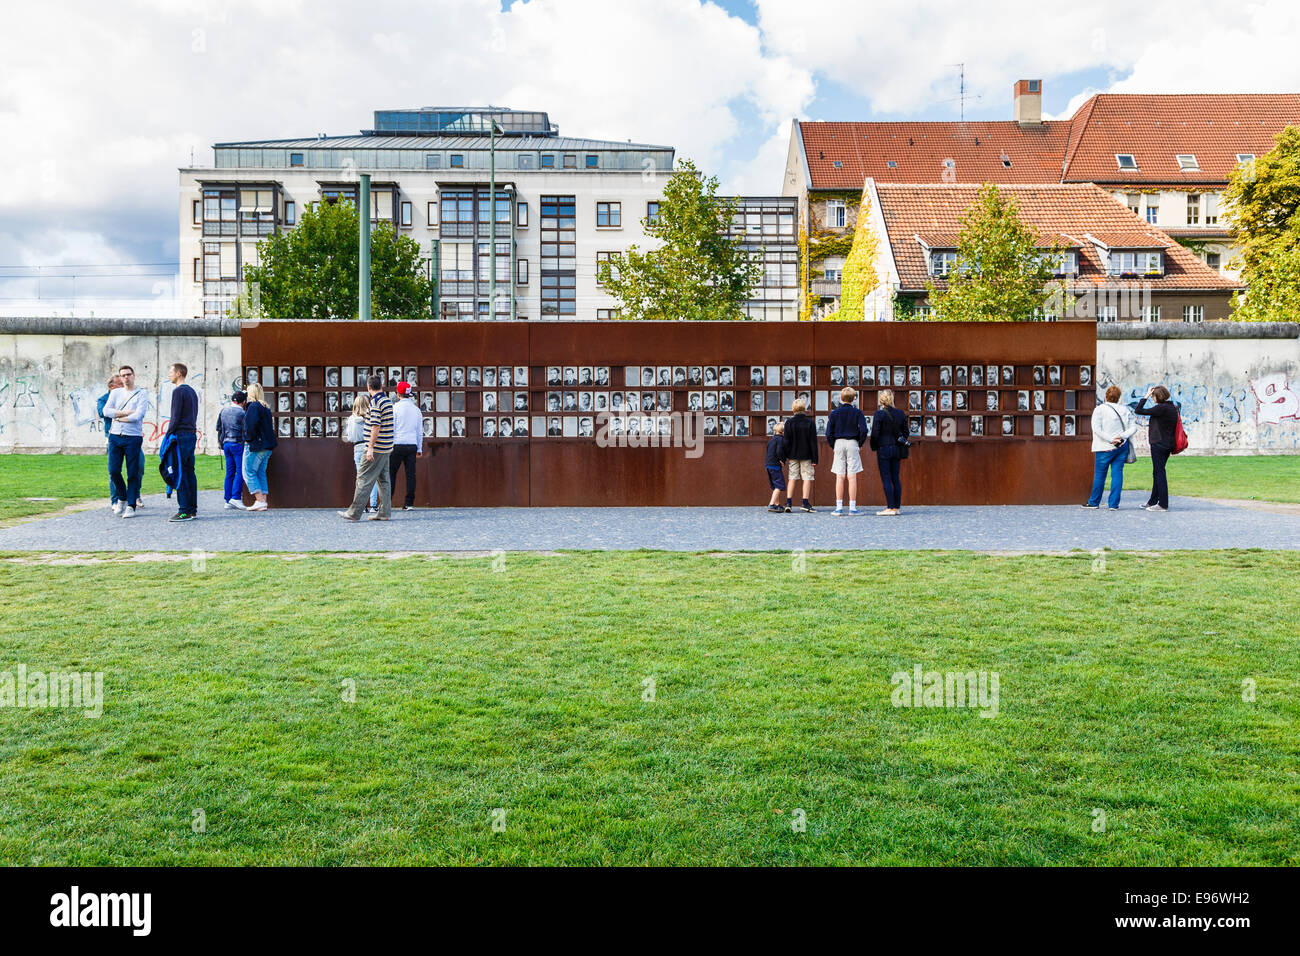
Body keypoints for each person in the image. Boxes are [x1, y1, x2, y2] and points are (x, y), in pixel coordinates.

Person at [340, 374, 394, 521]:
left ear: (368, 387)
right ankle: (384, 512)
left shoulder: (375, 402)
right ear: (381, 386)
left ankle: (354, 512)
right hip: (386, 447)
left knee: (363, 478)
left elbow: (375, 426)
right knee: (384, 480)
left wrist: (370, 447)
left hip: (375, 448)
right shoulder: (387, 400)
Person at [102, 364, 147, 518]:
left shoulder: (141, 393)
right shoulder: (115, 393)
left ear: (133, 375)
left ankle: (131, 505)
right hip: (115, 435)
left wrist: (117, 417)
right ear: (120, 378)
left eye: (128, 374)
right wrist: (125, 413)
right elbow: (105, 411)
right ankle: (121, 497)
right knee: (113, 470)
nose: (126, 378)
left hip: (133, 437)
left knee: (132, 472)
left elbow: (138, 415)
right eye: (123, 375)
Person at [1084, 385, 1139, 510]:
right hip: (1122, 446)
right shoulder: (1125, 410)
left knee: (1099, 475)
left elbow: (1097, 429)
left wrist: (1110, 439)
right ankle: (1113, 504)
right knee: (1117, 474)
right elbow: (1134, 427)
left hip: (1104, 447)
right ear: (1118, 397)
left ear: (1106, 396)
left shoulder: (1099, 409)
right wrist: (1122, 436)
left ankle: (1094, 502)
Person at [825, 386, 869, 516]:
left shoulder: (834, 413)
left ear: (841, 398)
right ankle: (852, 508)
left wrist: (834, 445)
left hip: (838, 443)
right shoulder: (858, 412)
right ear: (854, 398)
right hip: (852, 443)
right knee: (852, 476)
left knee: (840, 475)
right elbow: (864, 430)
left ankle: (839, 507)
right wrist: (859, 443)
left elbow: (828, 433)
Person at [165, 363, 200, 522]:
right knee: (189, 471)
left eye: (171, 371)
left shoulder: (178, 391)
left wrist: (168, 435)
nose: (169, 374)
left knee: (180, 472)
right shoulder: (192, 392)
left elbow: (175, 416)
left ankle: (184, 510)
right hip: (191, 434)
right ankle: (192, 508)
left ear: (179, 373)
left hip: (181, 436)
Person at [1135, 385, 1179, 512]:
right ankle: (1153, 501)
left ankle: (1163, 504)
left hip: (1159, 444)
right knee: (1157, 472)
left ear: (1157, 396)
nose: (1152, 398)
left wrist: (1146, 395)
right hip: (1167, 444)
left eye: (1153, 396)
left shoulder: (1161, 408)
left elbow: (1138, 410)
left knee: (1159, 473)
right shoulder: (1172, 407)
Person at [869, 388, 908, 516]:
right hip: (896, 449)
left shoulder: (879, 414)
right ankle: (896, 507)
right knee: (895, 477)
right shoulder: (900, 413)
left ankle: (890, 507)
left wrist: (874, 446)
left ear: (881, 400)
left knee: (886, 478)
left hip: (883, 449)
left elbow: (875, 433)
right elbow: (906, 433)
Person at [242, 382, 276, 511]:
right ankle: (263, 501)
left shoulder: (253, 407)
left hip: (256, 445)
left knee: (249, 472)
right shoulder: (265, 407)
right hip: (267, 446)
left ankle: (259, 500)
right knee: (261, 472)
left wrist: (247, 439)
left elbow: (250, 426)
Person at [390, 381, 423, 510]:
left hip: (397, 444)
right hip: (412, 444)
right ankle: (409, 503)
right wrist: (419, 448)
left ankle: (388, 501)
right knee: (411, 474)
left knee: (391, 473)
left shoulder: (395, 408)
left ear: (398, 394)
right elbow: (419, 431)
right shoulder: (417, 410)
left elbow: (391, 428)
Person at [344, 394, 379, 513]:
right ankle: (373, 505)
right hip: (368, 448)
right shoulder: (369, 418)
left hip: (357, 450)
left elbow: (349, 437)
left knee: (361, 478)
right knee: (371, 478)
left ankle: (361, 506)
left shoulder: (350, 419)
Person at [782, 398, 818, 512]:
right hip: (807, 456)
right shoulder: (810, 423)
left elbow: (786, 442)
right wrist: (815, 459)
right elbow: (813, 442)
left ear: (793, 409)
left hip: (793, 456)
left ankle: (788, 503)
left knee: (792, 478)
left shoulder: (789, 423)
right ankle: (805, 502)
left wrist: (785, 456)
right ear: (804, 409)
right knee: (807, 478)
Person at [216, 390, 249, 511]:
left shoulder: (223, 411)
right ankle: (236, 497)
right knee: (240, 471)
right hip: (238, 444)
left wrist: (220, 442)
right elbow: (246, 430)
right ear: (243, 401)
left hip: (226, 444)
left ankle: (227, 499)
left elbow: (218, 428)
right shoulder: (242, 413)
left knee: (229, 472)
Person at [97, 374, 123, 508]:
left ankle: (135, 495)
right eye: (120, 384)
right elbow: (103, 412)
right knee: (114, 470)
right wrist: (121, 412)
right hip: (112, 436)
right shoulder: (103, 399)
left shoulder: (127, 396)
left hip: (129, 435)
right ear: (111, 386)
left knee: (138, 467)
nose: (123, 386)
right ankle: (115, 500)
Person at [765, 421, 788, 513]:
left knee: (775, 486)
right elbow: (779, 451)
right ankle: (771, 504)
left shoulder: (771, 440)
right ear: (783, 432)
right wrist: (782, 460)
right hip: (775, 465)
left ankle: (777, 505)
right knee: (779, 485)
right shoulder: (781, 440)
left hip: (768, 465)